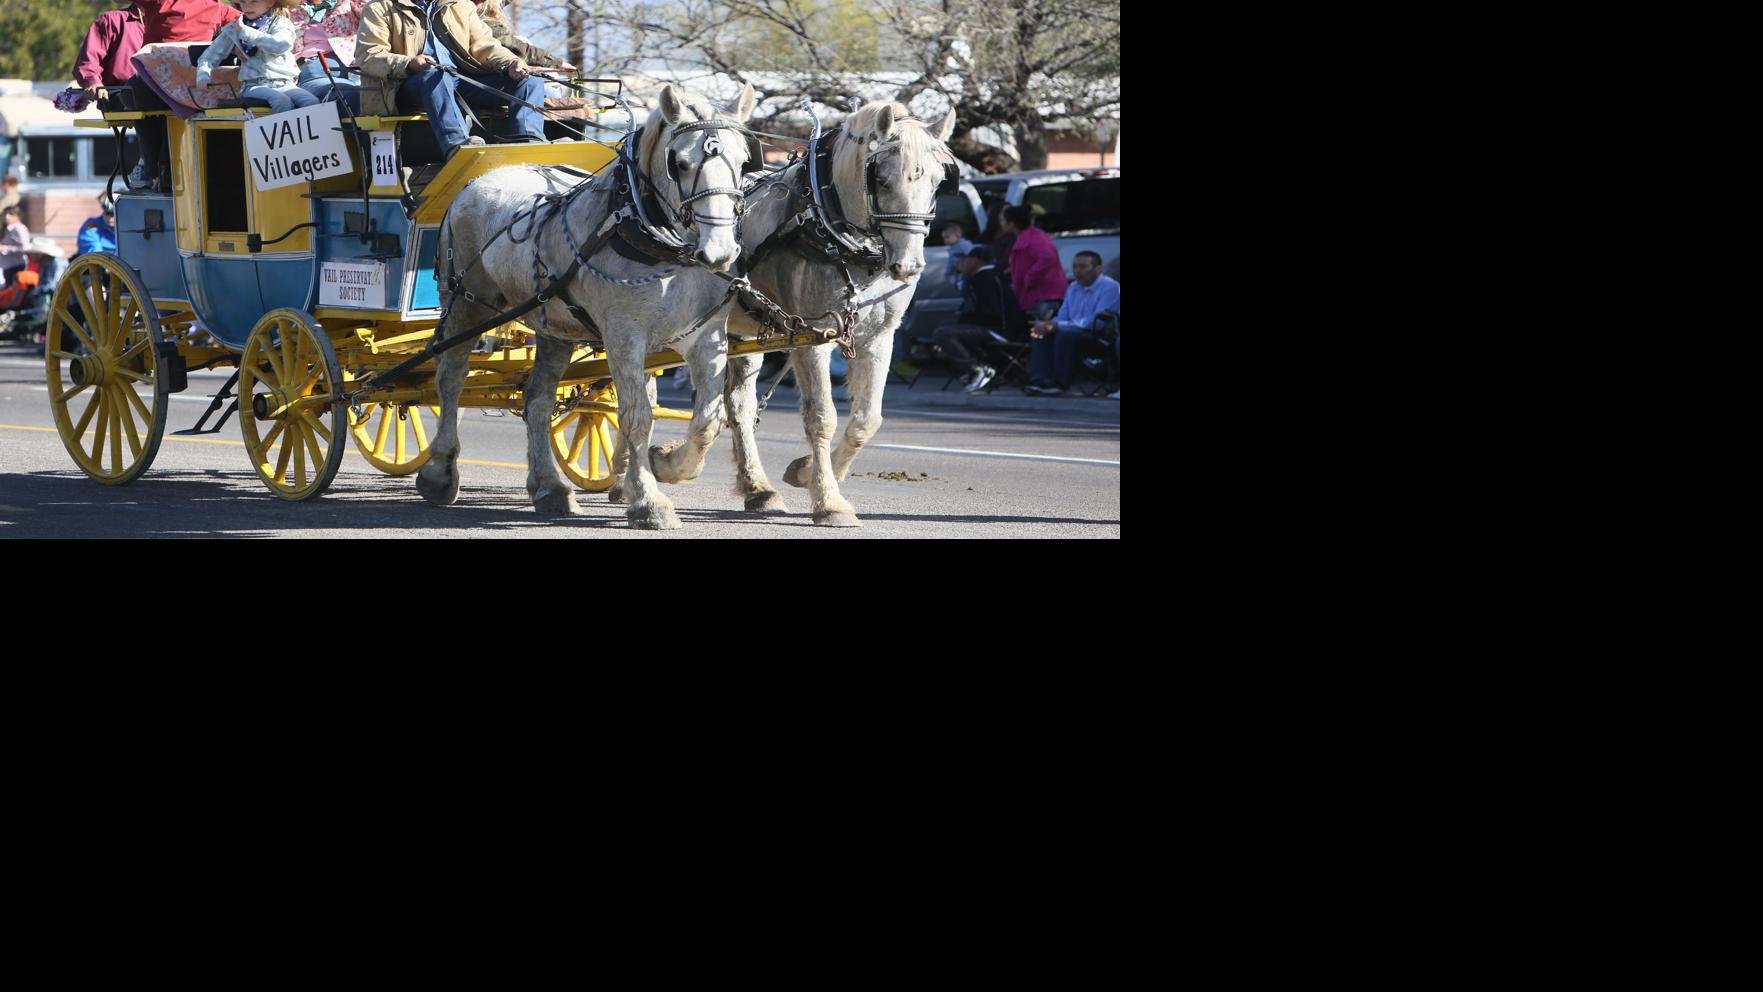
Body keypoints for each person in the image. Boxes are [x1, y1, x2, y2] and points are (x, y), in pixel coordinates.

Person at [357, 0, 549, 161]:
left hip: (461, 79)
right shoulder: (380, 7)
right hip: (408, 83)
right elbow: (369, 56)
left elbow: (486, 46)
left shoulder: (461, 5)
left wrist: (511, 63)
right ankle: (458, 146)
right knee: (435, 77)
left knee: (528, 81)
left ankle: (529, 142)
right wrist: (409, 63)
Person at [131, 0, 244, 191]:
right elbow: (247, 20)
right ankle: (159, 168)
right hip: (197, 89)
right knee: (167, 108)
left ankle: (151, 168)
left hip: (160, 86)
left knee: (134, 96)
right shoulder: (217, 7)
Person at [931, 245, 1027, 394]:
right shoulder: (986, 276)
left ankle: (975, 369)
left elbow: (991, 312)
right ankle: (972, 370)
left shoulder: (984, 278)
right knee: (945, 326)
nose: (962, 263)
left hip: (999, 329)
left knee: (943, 333)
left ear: (976, 261)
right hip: (994, 326)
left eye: (966, 259)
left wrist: (966, 321)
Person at [1025, 250, 1120, 397]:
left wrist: (1058, 326)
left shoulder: (1110, 287)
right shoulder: (1073, 287)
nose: (1077, 271)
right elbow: (1063, 316)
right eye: (1075, 267)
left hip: (1098, 334)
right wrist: (1047, 324)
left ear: (1098, 268)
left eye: (1083, 267)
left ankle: (1060, 383)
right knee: (1040, 332)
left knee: (1065, 333)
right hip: (1073, 330)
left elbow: (1098, 322)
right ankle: (1039, 380)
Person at [196, 0, 317, 113]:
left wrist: (246, 32)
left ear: (270, 2)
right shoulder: (234, 28)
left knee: (312, 102)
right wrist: (203, 75)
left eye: (254, 1)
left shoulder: (282, 23)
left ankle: (310, 134)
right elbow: (209, 56)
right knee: (281, 101)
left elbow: (281, 46)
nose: (247, 6)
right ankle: (278, 135)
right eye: (243, 1)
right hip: (254, 85)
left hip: (285, 83)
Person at [291, 0, 368, 112]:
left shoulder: (348, 3)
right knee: (351, 94)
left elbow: (377, 14)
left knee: (378, 94)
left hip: (356, 72)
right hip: (314, 74)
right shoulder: (290, 7)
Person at [1003, 203, 1066, 329]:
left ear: (1012, 224)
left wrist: (1029, 277)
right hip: (1035, 295)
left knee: (1040, 335)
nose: (1003, 224)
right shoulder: (1028, 237)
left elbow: (1048, 257)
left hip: (1044, 296)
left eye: (1005, 221)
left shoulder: (1035, 237)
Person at [75, 4, 146, 113]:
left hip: (163, 94)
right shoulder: (112, 20)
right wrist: (93, 83)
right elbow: (88, 63)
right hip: (120, 93)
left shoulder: (171, 24)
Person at [474, 0, 574, 73]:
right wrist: (556, 63)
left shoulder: (484, 11)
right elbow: (515, 47)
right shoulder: (483, 20)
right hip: (486, 76)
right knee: (548, 91)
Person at [1, 206, 31, 287]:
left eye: (10, 214)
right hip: (7, 266)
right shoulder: (7, 229)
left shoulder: (19, 229)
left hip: (16, 266)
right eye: (5, 214)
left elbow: (25, 248)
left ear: (17, 216)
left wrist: (5, 248)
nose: (7, 217)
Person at [940, 222, 975, 291]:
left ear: (958, 235)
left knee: (966, 287)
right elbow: (951, 262)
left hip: (967, 272)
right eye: (944, 238)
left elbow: (972, 254)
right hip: (959, 272)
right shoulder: (952, 248)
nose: (945, 240)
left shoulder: (963, 244)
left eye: (947, 237)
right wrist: (947, 272)